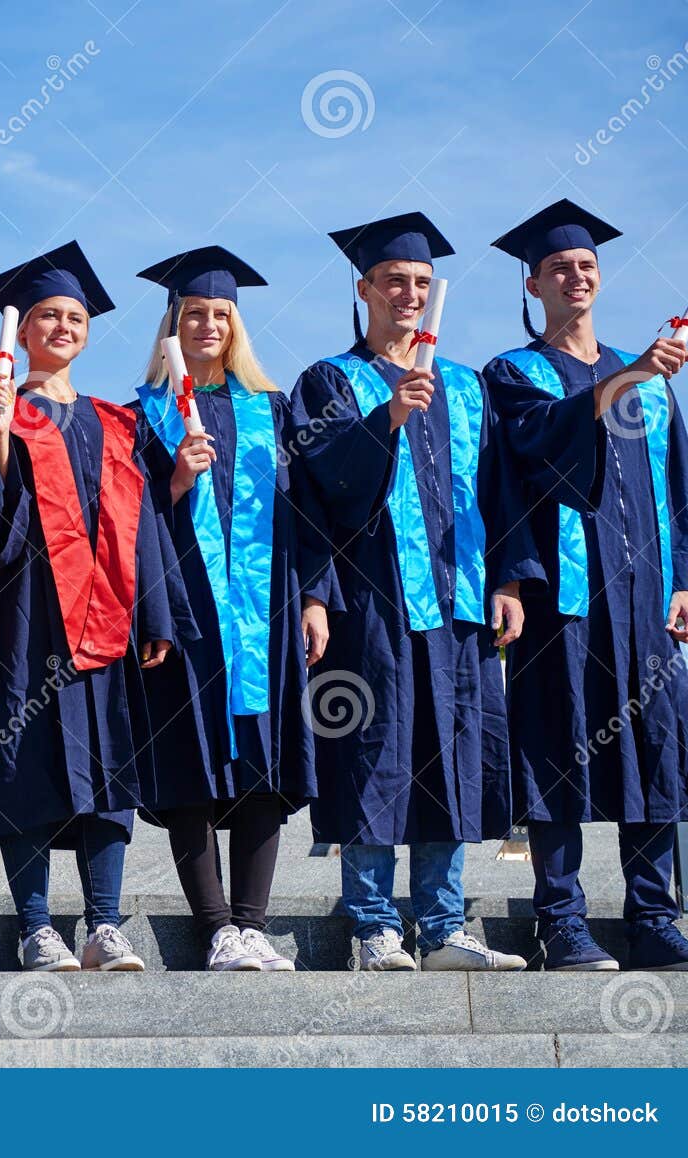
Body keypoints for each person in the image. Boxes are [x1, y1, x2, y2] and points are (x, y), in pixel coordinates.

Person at [291, 211, 533, 972]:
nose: (408, 292)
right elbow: (314, 485)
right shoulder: (330, 379)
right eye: (393, 280)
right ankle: (371, 925)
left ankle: (441, 922)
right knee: (371, 753)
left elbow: (500, 492)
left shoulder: (464, 385)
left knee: (452, 758)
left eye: (421, 283)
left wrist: (509, 580)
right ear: (363, 288)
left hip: (458, 609)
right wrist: (387, 417)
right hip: (371, 604)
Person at [481, 199, 688, 971]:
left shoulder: (655, 381)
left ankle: (653, 915)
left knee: (657, 745)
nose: (576, 275)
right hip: (561, 599)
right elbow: (538, 446)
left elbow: (679, 488)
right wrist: (631, 374)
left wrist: (687, 580)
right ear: (533, 284)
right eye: (560, 267)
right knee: (556, 745)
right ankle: (561, 919)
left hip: (647, 601)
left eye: (587, 266)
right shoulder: (515, 372)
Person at [0, 242, 180, 972]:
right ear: (21, 331)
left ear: (87, 333)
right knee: (25, 759)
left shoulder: (116, 423)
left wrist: (156, 614)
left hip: (108, 623)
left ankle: (102, 923)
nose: (62, 326)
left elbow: (145, 521)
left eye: (74, 317)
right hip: (25, 620)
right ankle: (35, 926)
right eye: (47, 316)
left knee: (109, 763)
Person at [131, 246, 325, 972]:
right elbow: (126, 523)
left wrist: (314, 600)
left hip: (266, 616)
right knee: (191, 762)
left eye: (221, 315)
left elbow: (307, 515)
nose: (208, 324)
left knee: (265, 760)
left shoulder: (274, 410)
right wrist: (175, 482)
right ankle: (216, 928)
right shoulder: (139, 417)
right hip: (183, 615)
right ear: (172, 326)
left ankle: (252, 926)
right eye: (194, 315)